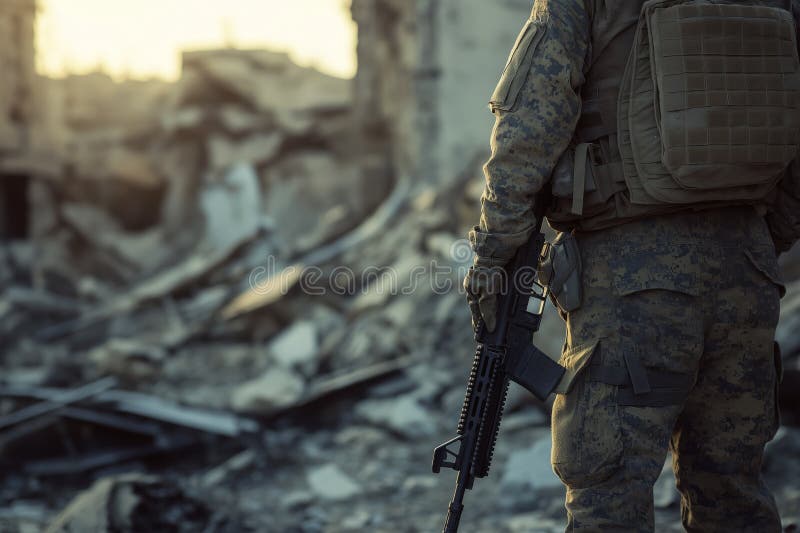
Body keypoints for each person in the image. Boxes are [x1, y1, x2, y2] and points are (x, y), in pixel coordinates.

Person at [463, 0, 800, 531]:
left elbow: (532, 123)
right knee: (734, 491)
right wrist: (760, 238)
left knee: (609, 495)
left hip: (630, 276)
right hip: (746, 271)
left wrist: (493, 251)